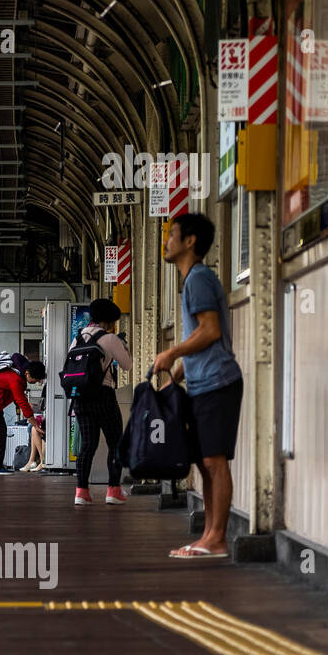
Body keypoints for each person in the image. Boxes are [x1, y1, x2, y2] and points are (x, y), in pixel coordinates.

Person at [153, 213, 243, 560]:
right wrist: (176, 373)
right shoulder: (192, 280)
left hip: (218, 381)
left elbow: (210, 331)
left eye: (172, 234)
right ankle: (208, 535)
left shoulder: (199, 279)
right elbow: (199, 336)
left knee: (214, 461)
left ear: (190, 241)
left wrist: (172, 351)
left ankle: (217, 539)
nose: (167, 241)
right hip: (203, 383)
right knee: (206, 462)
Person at [68, 298, 134, 504]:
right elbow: (128, 365)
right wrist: (122, 345)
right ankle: (113, 490)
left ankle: (81, 491)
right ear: (108, 321)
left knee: (88, 445)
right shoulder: (109, 339)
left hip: (80, 397)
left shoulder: (78, 338)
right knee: (115, 443)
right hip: (103, 396)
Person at [0, 355, 47, 475]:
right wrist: (35, 425)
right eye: (36, 379)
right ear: (27, 373)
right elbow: (21, 401)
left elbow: (16, 397)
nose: (37, 382)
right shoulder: (16, 378)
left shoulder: (14, 371)